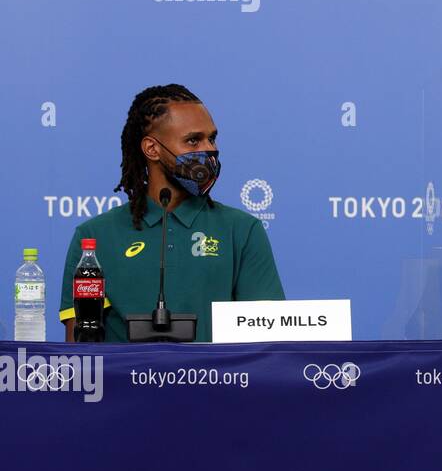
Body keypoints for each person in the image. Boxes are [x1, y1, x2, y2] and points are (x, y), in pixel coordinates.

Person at [59, 84, 285, 342]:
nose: (209, 149)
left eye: (211, 138)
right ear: (152, 149)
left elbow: (267, 342)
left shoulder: (243, 230)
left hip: (217, 381)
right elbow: (81, 352)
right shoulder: (93, 237)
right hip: (125, 382)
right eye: (193, 140)